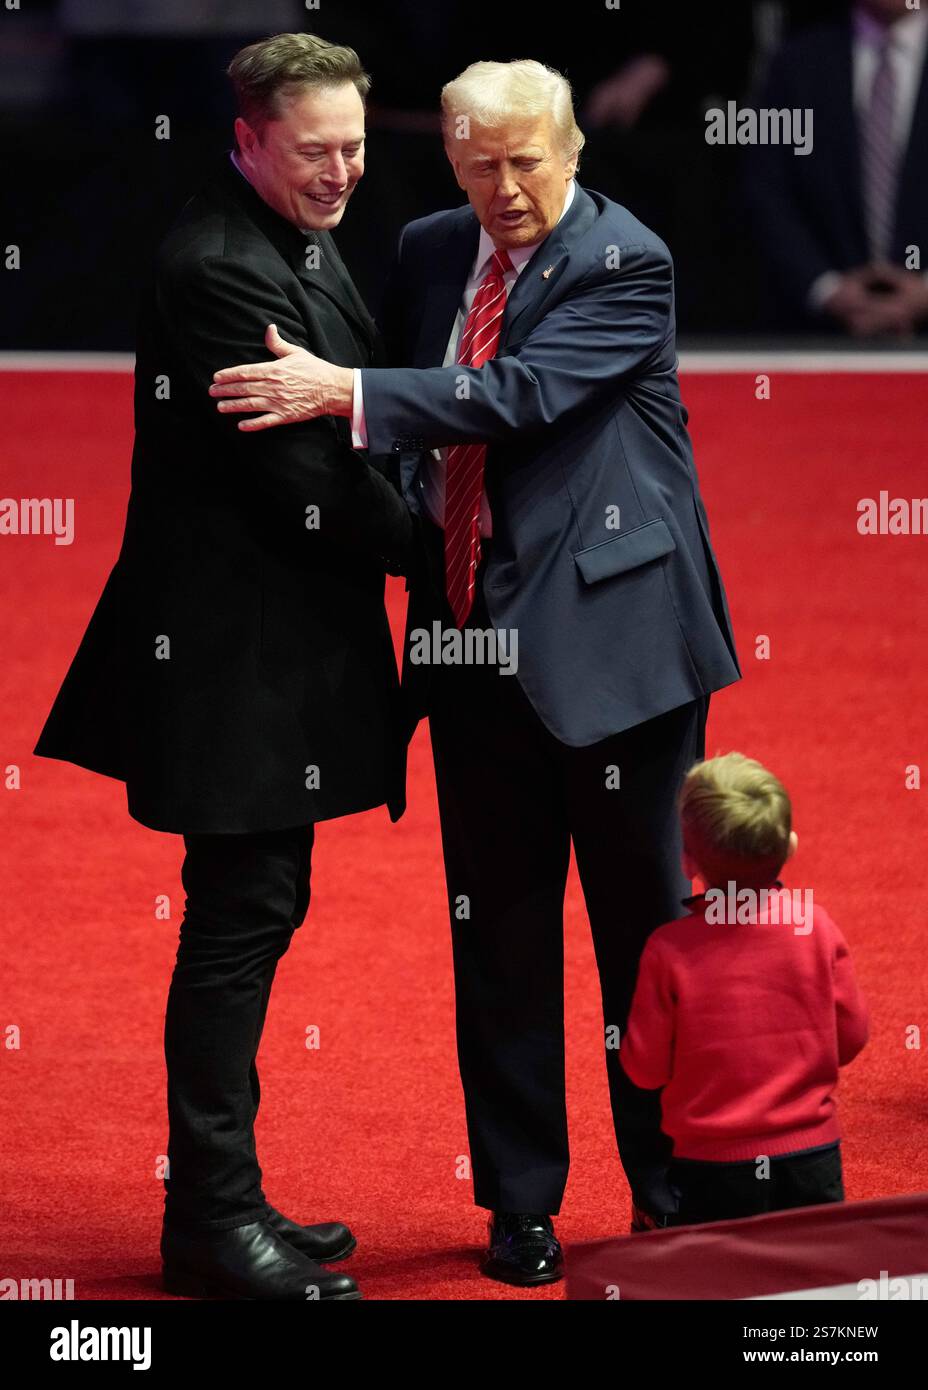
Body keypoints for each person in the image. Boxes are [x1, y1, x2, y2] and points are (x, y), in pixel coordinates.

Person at [208, 58, 742, 1286]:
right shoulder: (430, 245)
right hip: (469, 645)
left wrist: (342, 393)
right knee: (495, 942)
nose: (506, 190)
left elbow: (515, 394)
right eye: (481, 164)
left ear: (573, 155)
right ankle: (518, 1205)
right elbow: (420, 415)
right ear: (449, 159)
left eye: (528, 164)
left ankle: (671, 1196)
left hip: (620, 651)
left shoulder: (628, 262)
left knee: (644, 944)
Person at [34, 32, 413, 1301]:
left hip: (268, 663)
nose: (343, 171)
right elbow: (310, 482)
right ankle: (207, 1216)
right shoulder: (215, 268)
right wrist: (455, 536)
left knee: (254, 914)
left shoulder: (286, 236)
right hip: (233, 673)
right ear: (245, 138)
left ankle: (226, 1197)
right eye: (316, 150)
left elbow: (352, 409)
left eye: (357, 146)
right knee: (238, 924)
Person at [621, 752, 869, 1227]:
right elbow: (852, 1037)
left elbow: (645, 1069)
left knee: (721, 1278)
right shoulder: (815, 927)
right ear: (790, 845)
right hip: (812, 1154)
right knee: (813, 1277)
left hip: (710, 1164)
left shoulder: (669, 949)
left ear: (689, 860)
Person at [743, 0, 928, 335]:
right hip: (819, 339)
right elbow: (765, 190)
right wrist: (828, 290)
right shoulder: (796, 63)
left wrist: (923, 294)